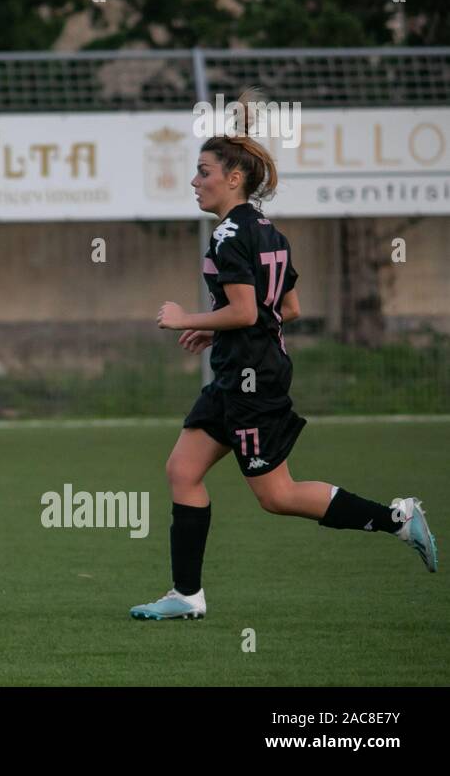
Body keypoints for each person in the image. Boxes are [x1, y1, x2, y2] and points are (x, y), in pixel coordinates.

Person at [131, 91, 438, 620]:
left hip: (254, 379)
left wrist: (189, 319)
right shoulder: (268, 232)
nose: (194, 180)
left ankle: (397, 518)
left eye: (203, 171)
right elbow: (286, 308)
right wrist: (217, 332)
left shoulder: (229, 236)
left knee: (277, 495)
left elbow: (249, 311)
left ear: (233, 178)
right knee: (183, 469)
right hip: (237, 372)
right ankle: (186, 595)